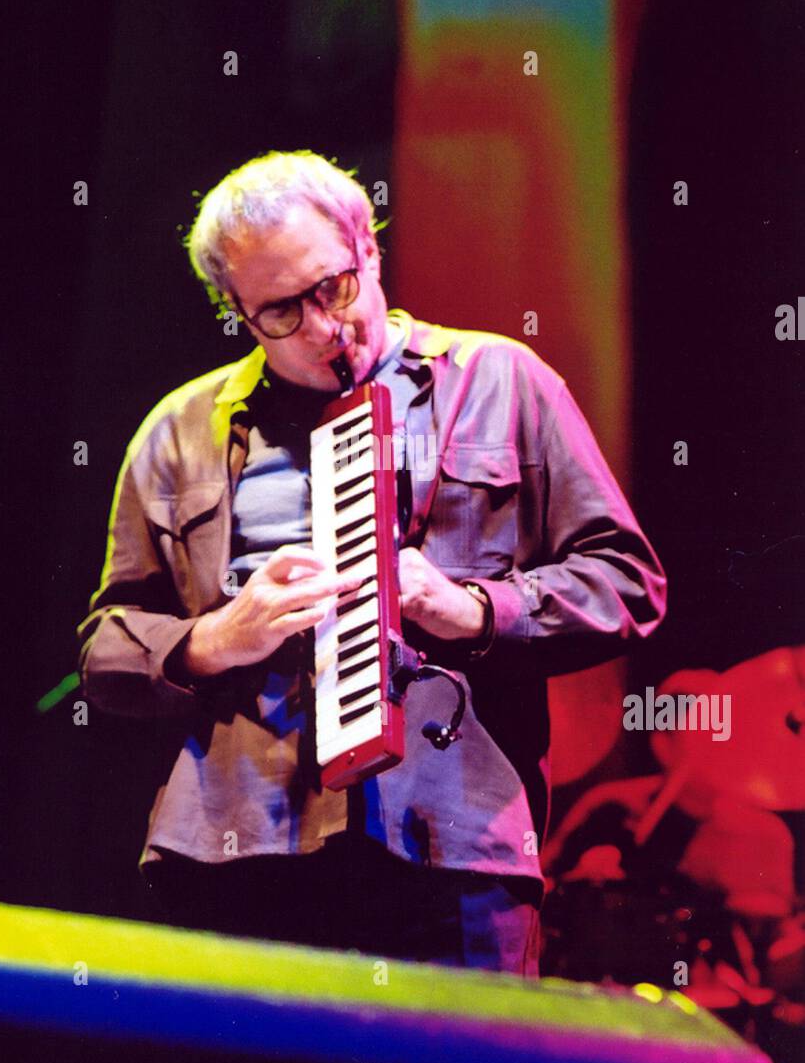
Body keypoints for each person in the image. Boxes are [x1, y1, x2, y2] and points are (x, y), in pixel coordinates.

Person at [77, 150, 667, 975]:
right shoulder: (180, 431)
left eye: (334, 287)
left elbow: (627, 582)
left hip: (455, 848)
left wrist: (470, 608)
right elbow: (104, 650)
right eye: (281, 312)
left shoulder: (503, 380)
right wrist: (214, 639)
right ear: (238, 313)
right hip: (236, 855)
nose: (322, 326)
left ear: (369, 250)